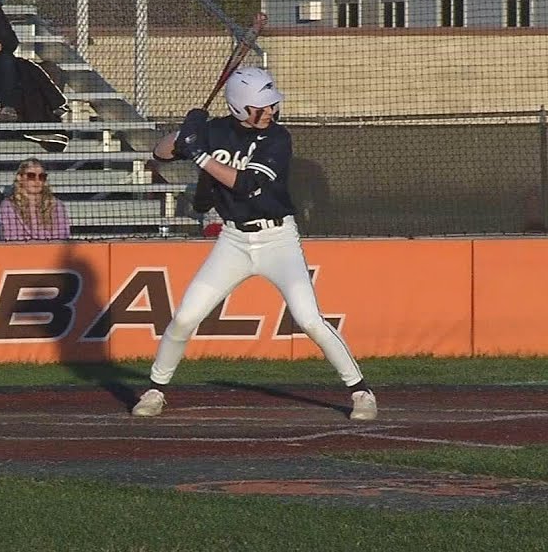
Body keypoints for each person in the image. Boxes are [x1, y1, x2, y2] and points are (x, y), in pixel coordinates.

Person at [129, 67, 378, 422]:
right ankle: (155, 390)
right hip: (233, 240)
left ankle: (361, 392)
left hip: (278, 240)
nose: (270, 112)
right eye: (261, 107)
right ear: (238, 109)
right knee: (185, 318)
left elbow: (244, 184)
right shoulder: (214, 131)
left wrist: (199, 155)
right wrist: (185, 131)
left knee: (309, 319)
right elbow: (161, 153)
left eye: (271, 105)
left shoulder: (278, 138)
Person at [0, 158, 70, 241]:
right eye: (31, 176)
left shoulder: (56, 205)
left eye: (41, 176)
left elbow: (62, 236)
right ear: (20, 177)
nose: (37, 180)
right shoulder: (8, 206)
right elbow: (12, 237)